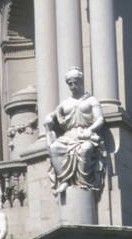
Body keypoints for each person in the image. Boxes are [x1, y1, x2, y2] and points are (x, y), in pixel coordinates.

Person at [44, 67, 105, 196]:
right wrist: (49, 118)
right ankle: (65, 180)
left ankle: (83, 181)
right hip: (68, 136)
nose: (72, 86)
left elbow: (99, 119)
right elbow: (54, 116)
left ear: (81, 82)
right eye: (70, 83)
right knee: (54, 148)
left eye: (75, 82)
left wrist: (90, 130)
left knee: (86, 149)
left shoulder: (91, 100)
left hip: (86, 135)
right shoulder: (65, 104)